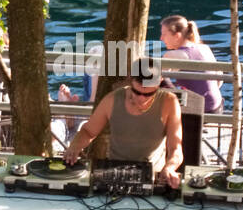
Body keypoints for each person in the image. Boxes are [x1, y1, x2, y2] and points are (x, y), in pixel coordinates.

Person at [63, 57, 184, 188]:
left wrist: (170, 168)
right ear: (130, 80)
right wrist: (74, 146)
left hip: (153, 176)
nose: (142, 99)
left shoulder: (169, 102)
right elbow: (88, 131)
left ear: (160, 82)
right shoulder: (112, 100)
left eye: (149, 94)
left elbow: (175, 148)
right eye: (137, 92)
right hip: (116, 172)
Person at [159, 14, 224, 113]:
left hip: (198, 111)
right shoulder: (204, 48)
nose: (161, 38)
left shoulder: (173, 55)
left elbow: (156, 82)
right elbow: (219, 78)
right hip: (217, 107)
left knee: (157, 81)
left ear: (177, 36)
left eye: (164, 34)